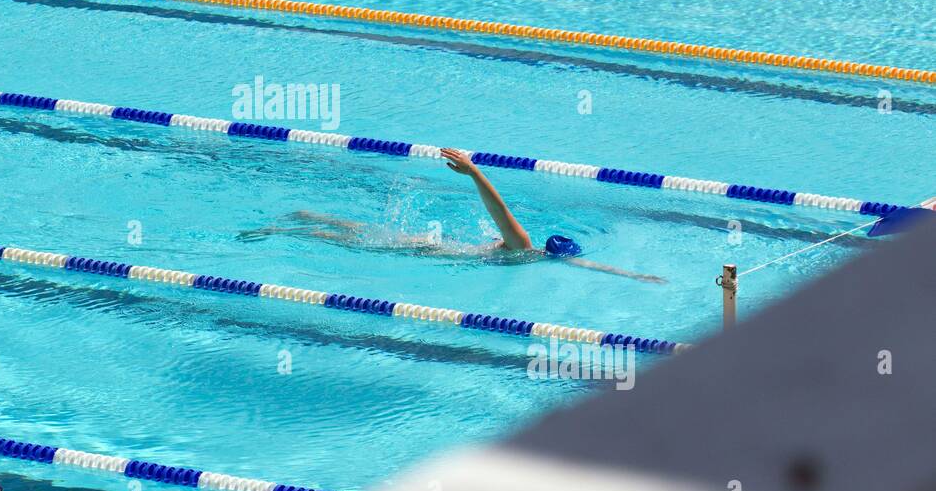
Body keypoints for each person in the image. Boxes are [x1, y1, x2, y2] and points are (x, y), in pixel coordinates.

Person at [238, 148, 664, 283]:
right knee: (345, 238)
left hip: (428, 245)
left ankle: (307, 214)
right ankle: (285, 226)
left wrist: (631, 276)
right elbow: (501, 212)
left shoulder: (528, 253)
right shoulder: (521, 248)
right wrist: (476, 172)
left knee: (361, 231)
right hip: (424, 252)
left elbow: (582, 263)